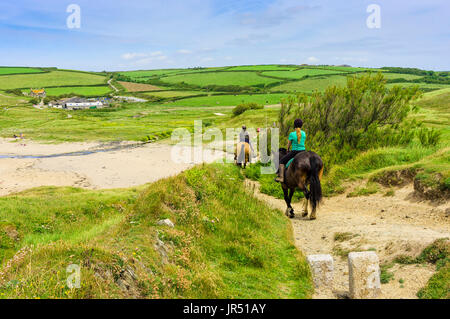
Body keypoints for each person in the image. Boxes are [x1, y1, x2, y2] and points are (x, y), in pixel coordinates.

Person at [275, 119, 306, 183]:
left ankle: (281, 177)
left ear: (294, 125)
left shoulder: (292, 134)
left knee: (282, 161)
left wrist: (288, 149)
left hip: (294, 152)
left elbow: (289, 144)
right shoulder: (304, 133)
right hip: (303, 152)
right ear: (301, 125)